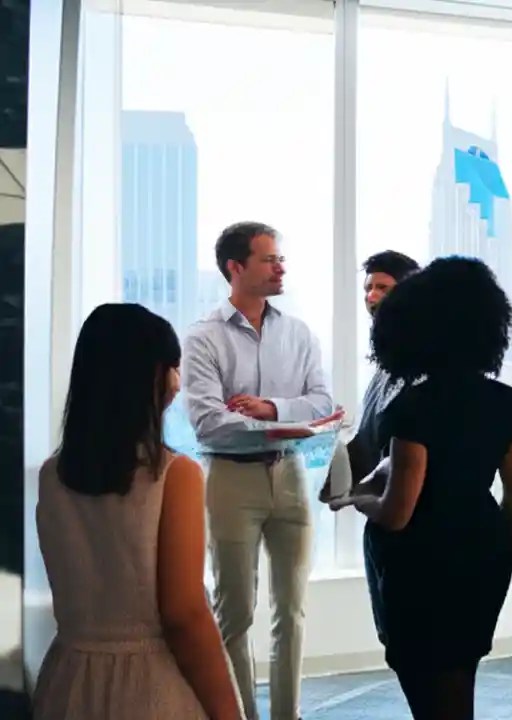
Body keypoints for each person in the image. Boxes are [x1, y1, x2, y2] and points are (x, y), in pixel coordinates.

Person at [333, 255, 512, 719]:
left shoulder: (413, 406)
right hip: (483, 552)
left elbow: (398, 511)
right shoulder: (506, 400)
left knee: (426, 685)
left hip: (422, 560)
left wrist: (359, 497)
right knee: (459, 677)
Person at [32, 304, 243, 720]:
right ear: (146, 376)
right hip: (152, 685)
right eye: (172, 367)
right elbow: (184, 616)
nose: (177, 383)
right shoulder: (173, 475)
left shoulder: (52, 475)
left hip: (67, 680)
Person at [182, 222, 336, 720]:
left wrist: (269, 410)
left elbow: (323, 403)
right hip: (230, 479)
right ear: (235, 267)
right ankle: (240, 715)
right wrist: (292, 422)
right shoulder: (203, 337)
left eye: (280, 259)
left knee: (292, 611)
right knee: (235, 613)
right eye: (270, 260)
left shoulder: (299, 333)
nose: (281, 268)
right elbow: (209, 422)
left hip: (291, 476)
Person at [321, 250, 420, 646]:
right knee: (397, 643)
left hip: (416, 525)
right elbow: (367, 440)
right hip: (384, 524)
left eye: (383, 288)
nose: (372, 297)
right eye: (368, 289)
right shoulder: (385, 368)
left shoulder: (423, 368)